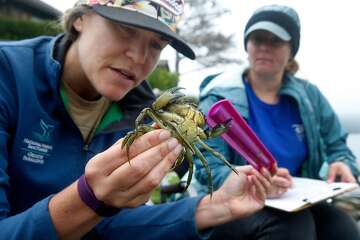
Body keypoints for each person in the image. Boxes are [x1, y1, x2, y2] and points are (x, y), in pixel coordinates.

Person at [0, 0, 274, 239]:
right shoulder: (8, 74)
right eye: (125, 29)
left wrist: (217, 205)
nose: (139, 57)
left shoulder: (143, 114)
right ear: (81, 17)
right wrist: (89, 198)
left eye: (156, 45)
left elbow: (109, 225)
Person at [195, 4, 360, 240]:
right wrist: (254, 183)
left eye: (275, 40)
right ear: (247, 46)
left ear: (291, 50)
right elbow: (208, 166)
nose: (264, 46)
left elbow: (338, 146)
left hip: (296, 201)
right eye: (257, 38)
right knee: (293, 228)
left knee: (342, 227)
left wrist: (342, 163)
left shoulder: (310, 97)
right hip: (233, 202)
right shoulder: (218, 102)